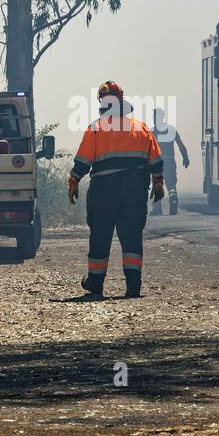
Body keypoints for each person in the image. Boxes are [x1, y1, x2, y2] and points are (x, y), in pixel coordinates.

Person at [68, 81, 164, 298]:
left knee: (100, 235)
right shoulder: (141, 128)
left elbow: (83, 161)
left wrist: (73, 182)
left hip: (104, 191)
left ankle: (95, 284)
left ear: (102, 102)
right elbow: (156, 160)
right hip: (135, 189)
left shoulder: (95, 128)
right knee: (131, 236)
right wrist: (158, 182)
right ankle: (133, 285)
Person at [150, 107, 189, 214]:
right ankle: (174, 200)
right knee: (171, 185)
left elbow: (146, 149)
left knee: (157, 184)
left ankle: (157, 209)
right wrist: (185, 157)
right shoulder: (171, 130)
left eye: (154, 116)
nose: (153, 118)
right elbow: (181, 145)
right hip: (170, 162)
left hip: (157, 163)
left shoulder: (152, 132)